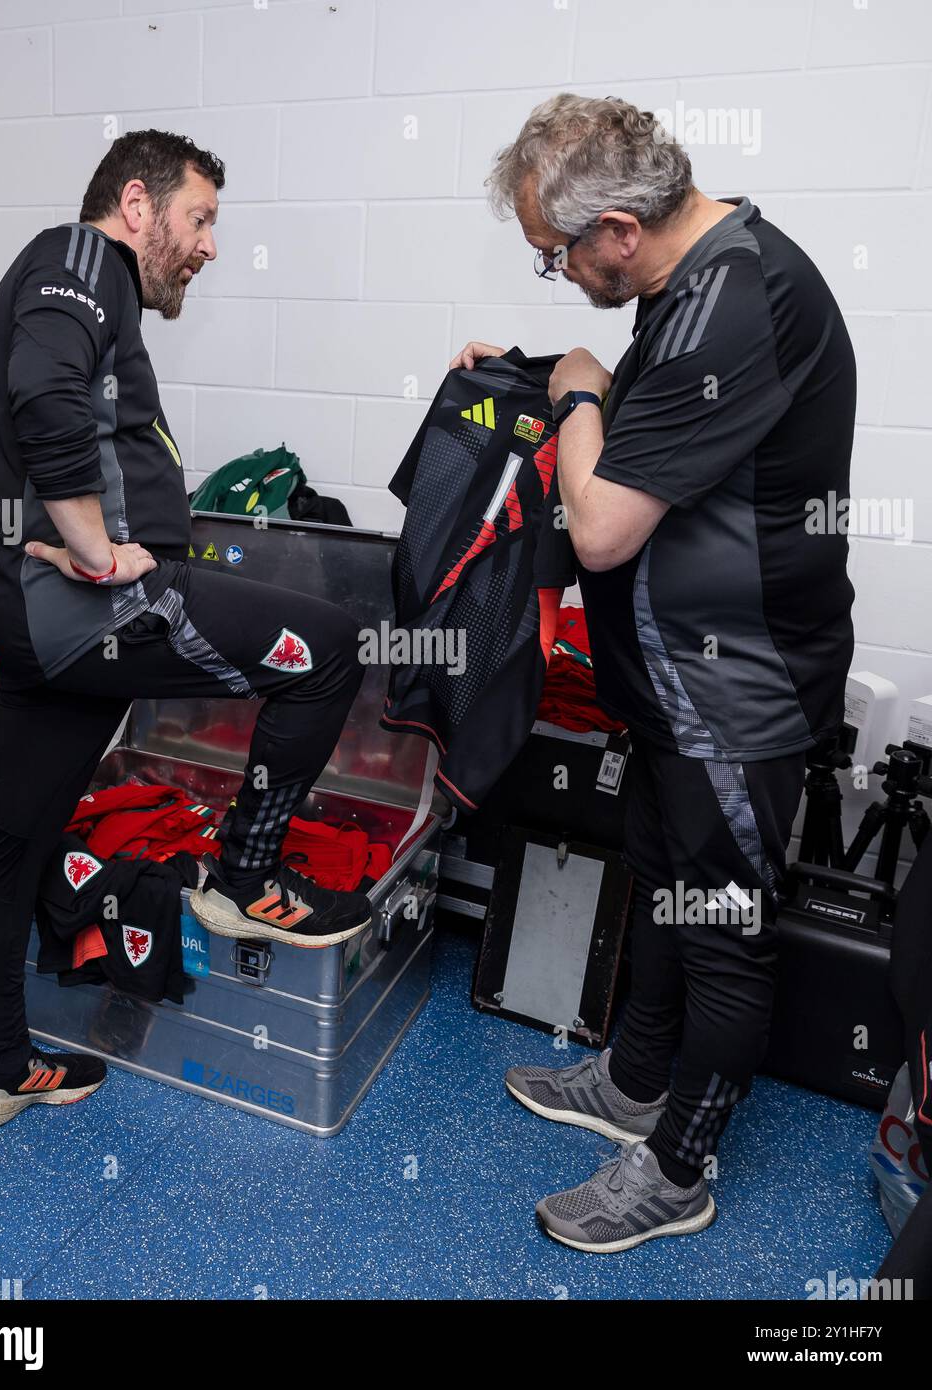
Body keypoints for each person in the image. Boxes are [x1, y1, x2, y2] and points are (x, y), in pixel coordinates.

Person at [455, 94, 855, 1251]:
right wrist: (542, 372)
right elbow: (646, 428)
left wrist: (576, 385)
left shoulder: (737, 301)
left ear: (617, 231)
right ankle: (633, 1082)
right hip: (675, 679)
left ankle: (678, 1168)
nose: (560, 275)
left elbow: (602, 528)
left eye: (557, 257)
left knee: (723, 925)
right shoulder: (691, 284)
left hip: (738, 690)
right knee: (659, 872)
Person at [0, 131, 371, 1133]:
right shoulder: (77, 263)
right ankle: (243, 877)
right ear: (136, 204)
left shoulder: (77, 279)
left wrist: (59, 538)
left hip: (38, 616)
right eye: (201, 219)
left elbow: (40, 441)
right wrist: (98, 553)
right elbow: (45, 403)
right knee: (326, 651)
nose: (209, 246)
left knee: (15, 838)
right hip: (92, 606)